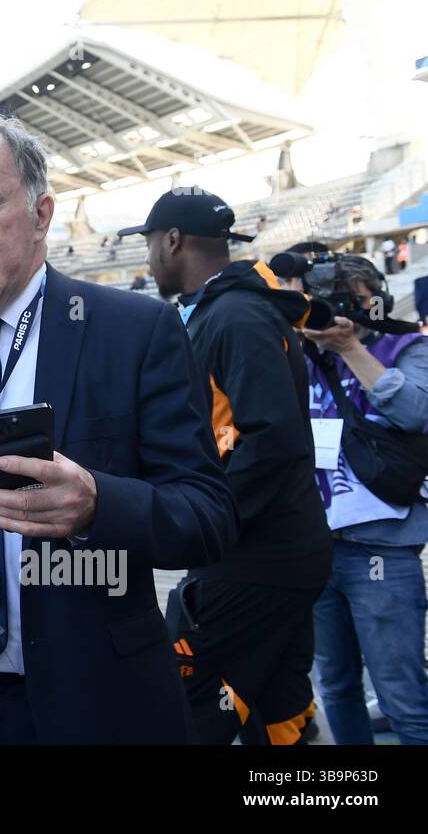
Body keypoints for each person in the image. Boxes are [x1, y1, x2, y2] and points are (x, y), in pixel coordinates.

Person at [0, 99, 235, 744]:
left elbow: (207, 516)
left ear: (41, 213)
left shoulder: (132, 330)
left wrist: (99, 504)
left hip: (95, 710)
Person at [123, 187, 332, 744]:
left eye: (148, 243)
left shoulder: (235, 317)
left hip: (255, 559)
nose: (146, 258)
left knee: (176, 701)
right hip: (279, 553)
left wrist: (203, 521)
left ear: (172, 241)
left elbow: (274, 440)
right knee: (280, 714)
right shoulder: (227, 312)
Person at [293, 255, 428, 744]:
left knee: (403, 696)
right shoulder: (301, 355)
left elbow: (416, 411)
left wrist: (351, 347)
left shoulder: (406, 346)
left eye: (346, 298)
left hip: (382, 548)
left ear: (372, 299)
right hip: (318, 542)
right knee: (336, 686)